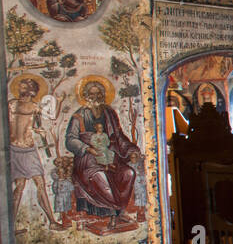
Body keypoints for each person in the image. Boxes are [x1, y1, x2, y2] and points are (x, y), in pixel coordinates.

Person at [64, 79, 141, 229]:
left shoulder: (109, 113)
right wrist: (87, 148)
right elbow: (70, 139)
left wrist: (131, 150)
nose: (95, 97)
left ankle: (120, 210)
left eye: (99, 93)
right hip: (87, 159)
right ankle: (114, 214)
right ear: (86, 96)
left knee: (129, 173)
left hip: (109, 156)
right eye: (92, 94)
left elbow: (118, 136)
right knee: (101, 177)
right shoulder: (79, 116)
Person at [8, 77, 67, 230]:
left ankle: (52, 222)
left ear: (30, 91)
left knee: (40, 184)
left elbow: (52, 116)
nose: (20, 90)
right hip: (15, 150)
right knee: (19, 187)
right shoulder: (12, 104)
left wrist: (59, 102)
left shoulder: (34, 107)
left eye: (23, 88)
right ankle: (11, 226)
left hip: (29, 150)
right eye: (20, 87)